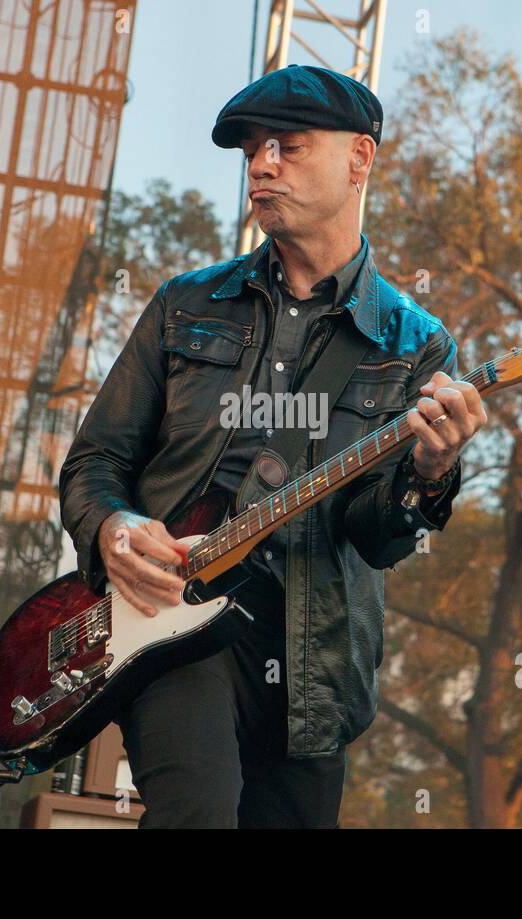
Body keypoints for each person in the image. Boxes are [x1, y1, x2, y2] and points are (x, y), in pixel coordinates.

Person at [59, 65, 486, 827]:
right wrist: (113, 527)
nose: (262, 164)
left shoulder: (415, 344)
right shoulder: (183, 304)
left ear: (361, 158)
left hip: (315, 666)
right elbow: (96, 463)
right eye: (252, 150)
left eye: (288, 146)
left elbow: (377, 537)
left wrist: (429, 472)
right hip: (174, 626)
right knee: (198, 812)